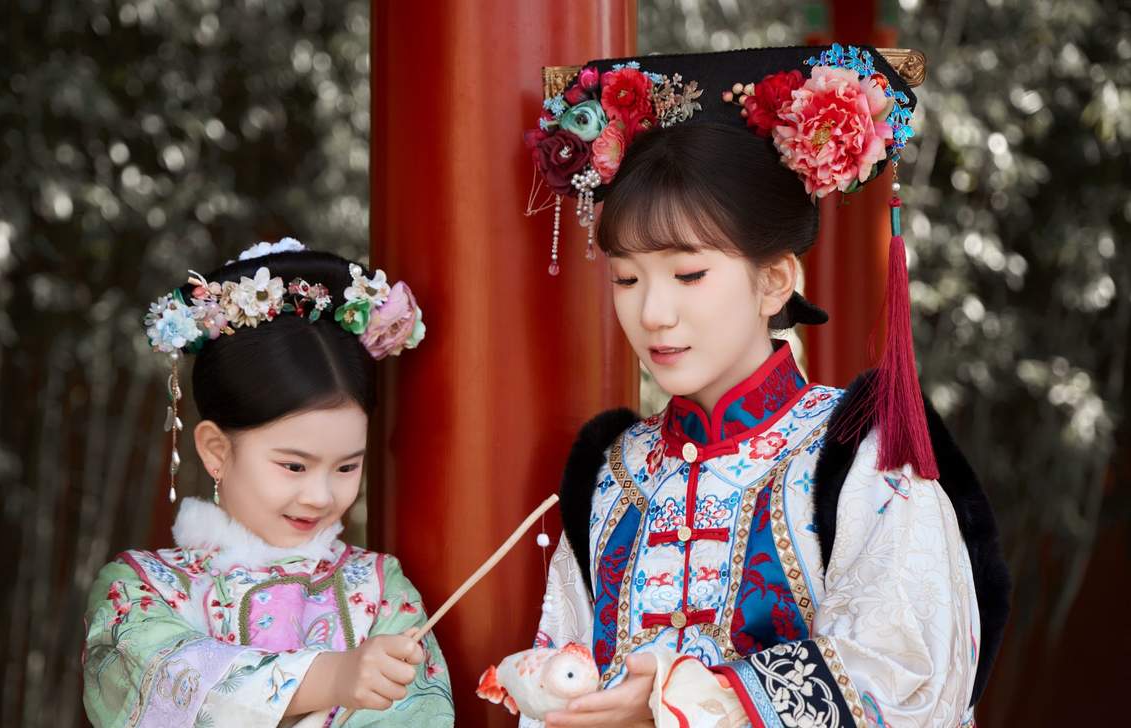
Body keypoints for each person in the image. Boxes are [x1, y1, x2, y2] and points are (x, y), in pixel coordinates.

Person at [519, 46, 1009, 728]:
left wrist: (680, 704)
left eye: (688, 274)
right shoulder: (608, 477)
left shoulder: (860, 458)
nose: (652, 313)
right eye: (626, 279)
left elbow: (905, 676)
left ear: (774, 280)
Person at [81, 239, 452, 727]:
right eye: (294, 466)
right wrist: (331, 677)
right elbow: (160, 681)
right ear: (216, 451)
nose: (321, 496)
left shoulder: (384, 592)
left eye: (346, 467)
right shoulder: (137, 590)